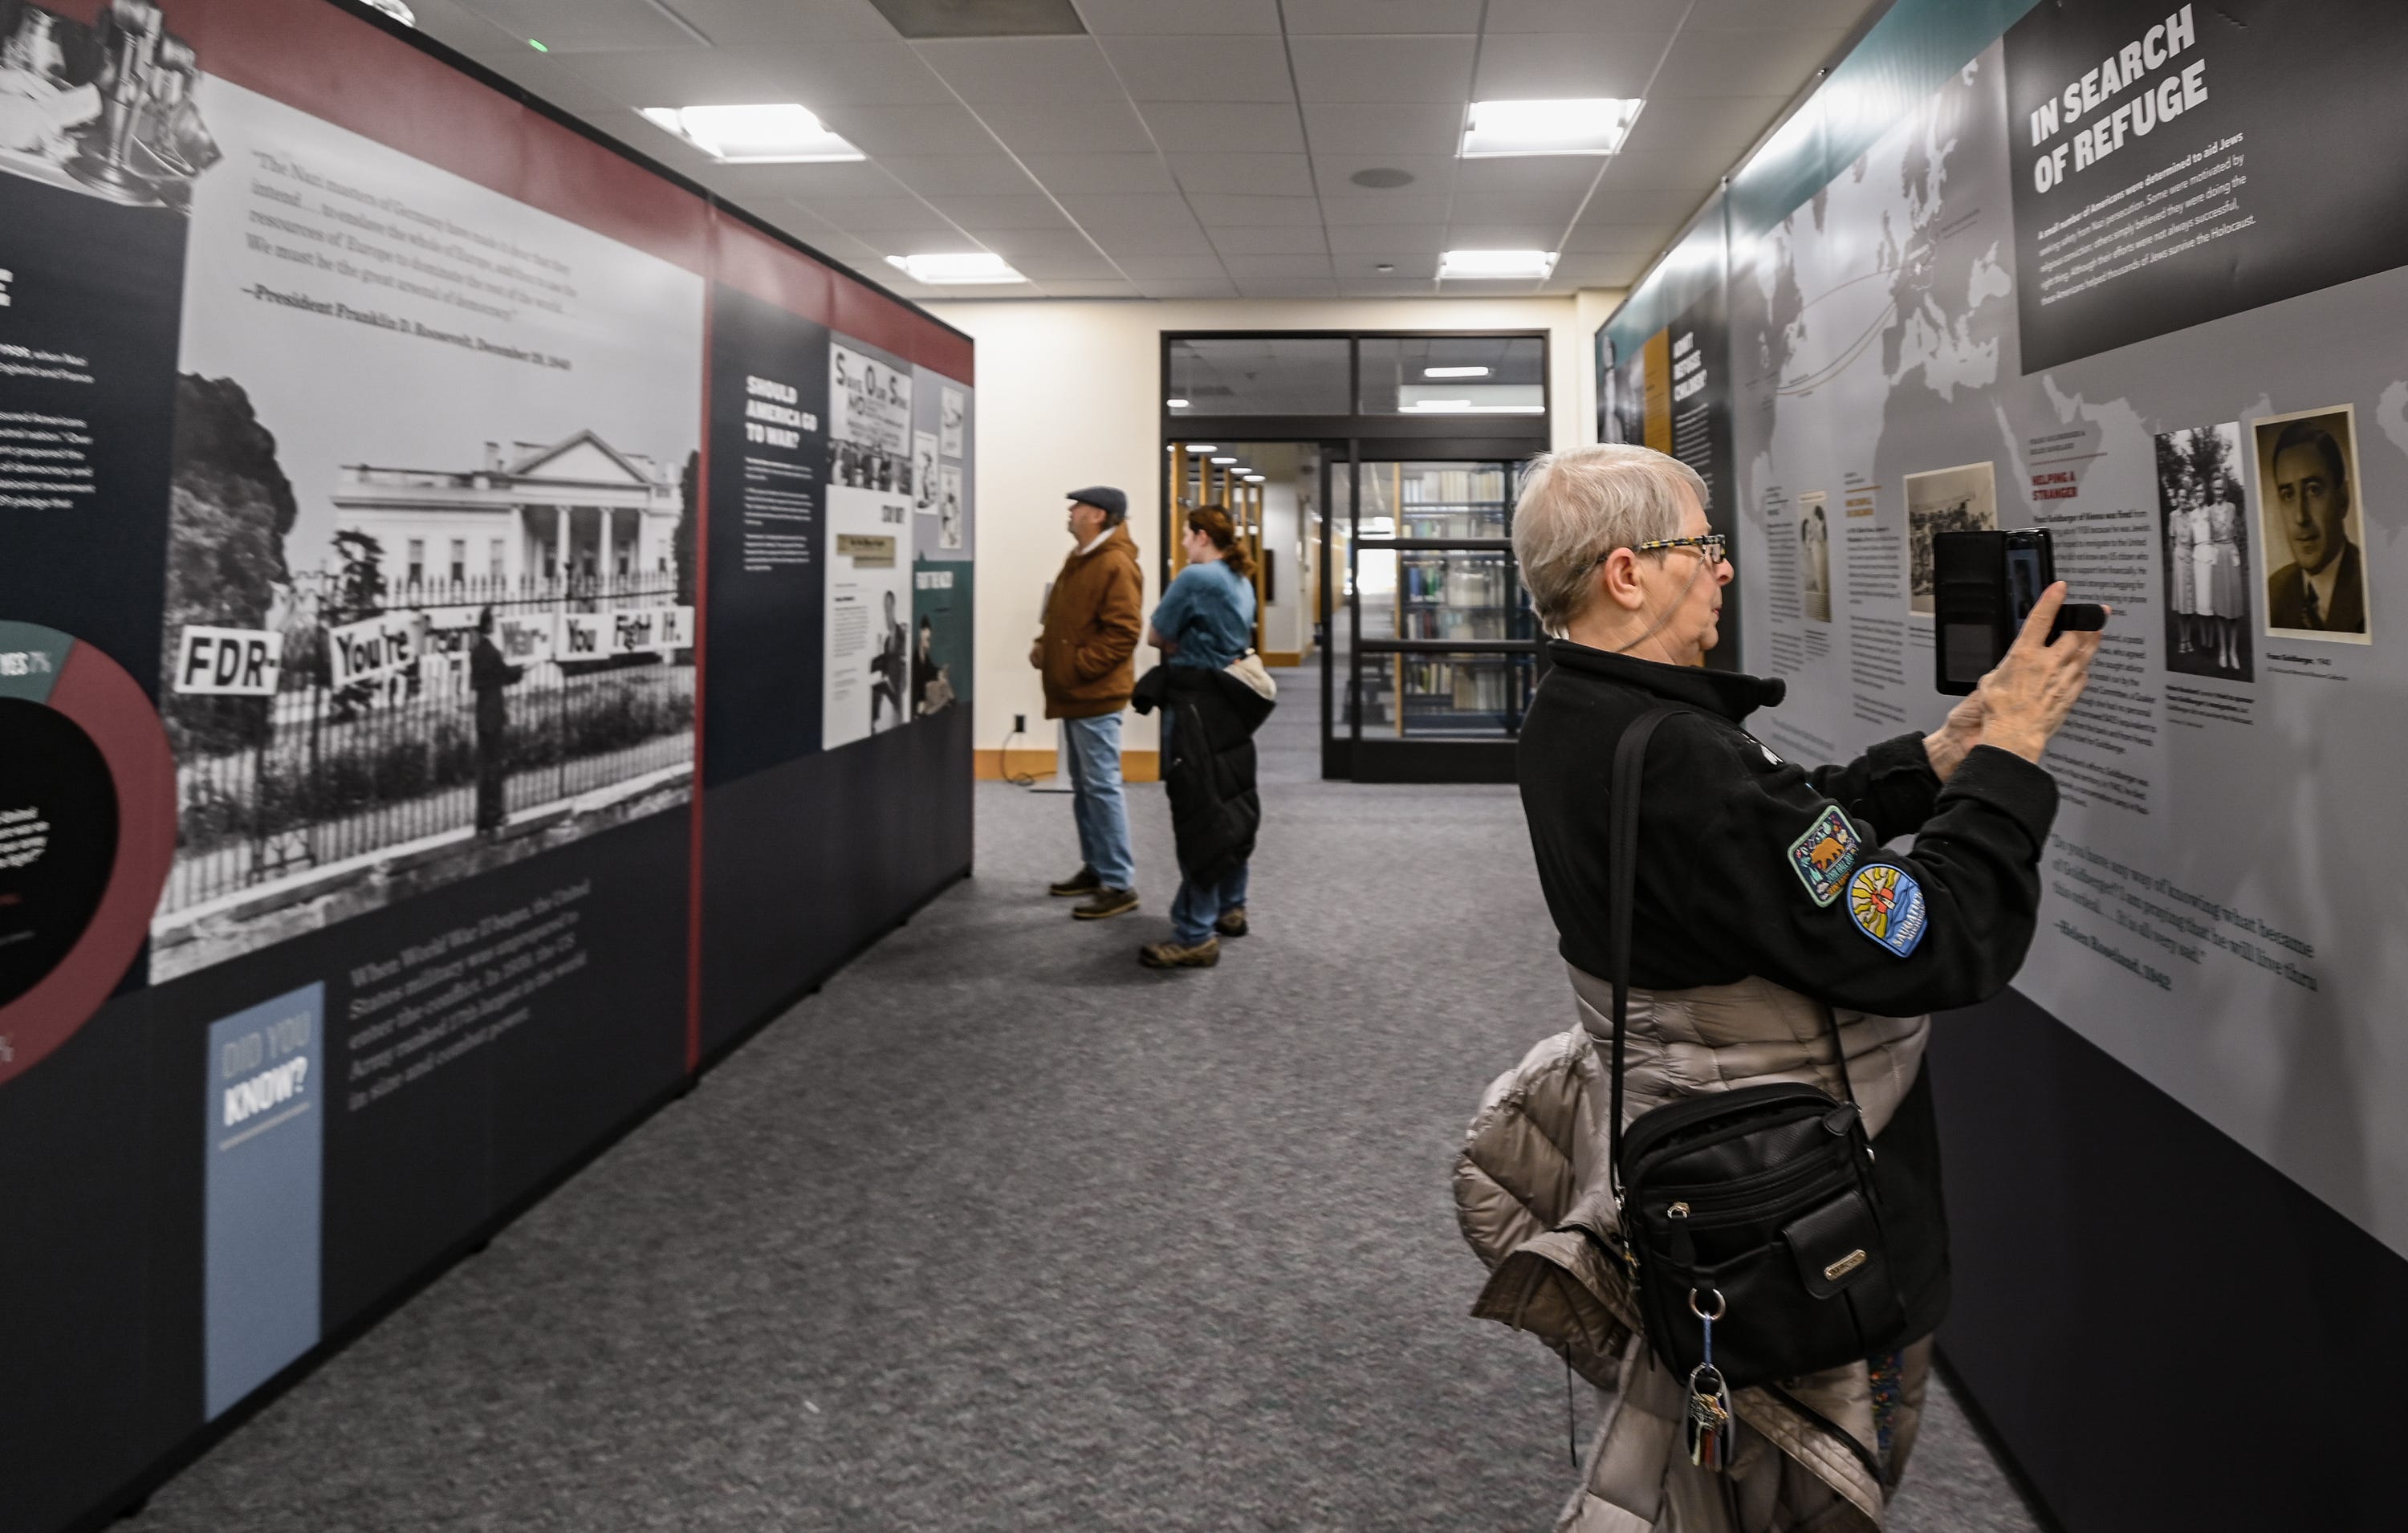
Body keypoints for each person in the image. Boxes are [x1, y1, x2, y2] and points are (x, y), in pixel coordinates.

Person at [1454, 444, 2104, 1530]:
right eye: (1704, 549)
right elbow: (1937, 941)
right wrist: (2015, 757)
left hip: (1707, 1164)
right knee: (1817, 1487)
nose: (1725, 572)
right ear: (1628, 573)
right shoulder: (1683, 759)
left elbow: (1771, 859)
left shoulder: (1582, 716)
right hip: (1798, 1213)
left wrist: (1940, 755)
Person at [1129, 506, 1267, 970]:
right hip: (1229, 704)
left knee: (1198, 815)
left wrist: (1177, 640)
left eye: (1187, 536)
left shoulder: (1196, 578)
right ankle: (1231, 906)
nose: (1185, 543)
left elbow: (1156, 635)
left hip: (1192, 708)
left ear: (1202, 536)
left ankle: (1193, 933)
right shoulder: (1239, 579)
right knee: (1228, 801)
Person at [1033, 486, 1145, 920]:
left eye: (1077, 506)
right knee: (1085, 786)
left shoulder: (1115, 563)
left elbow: (1123, 632)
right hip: (1075, 690)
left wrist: (1077, 666)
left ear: (1098, 515)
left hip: (1094, 692)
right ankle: (1096, 867)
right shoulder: (1080, 558)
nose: (1070, 511)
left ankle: (1119, 883)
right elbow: (1062, 614)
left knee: (1101, 786)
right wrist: (1046, 645)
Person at [2264, 421, 2365, 633]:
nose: (2301, 517)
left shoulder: (2370, 586)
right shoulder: (2274, 591)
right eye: (2288, 495)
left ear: (2343, 499)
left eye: (2314, 490)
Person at [468, 606, 522, 838]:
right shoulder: (492, 652)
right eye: (494, 622)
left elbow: (481, 681)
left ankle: (482, 820)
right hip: (494, 713)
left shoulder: (476, 652)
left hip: (482, 713)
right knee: (495, 767)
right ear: (488, 625)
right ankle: (496, 815)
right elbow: (506, 675)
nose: (496, 625)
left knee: (484, 768)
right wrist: (521, 670)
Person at [2199, 482, 2245, 670]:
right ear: (2212, 491)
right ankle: (2223, 651)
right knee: (2220, 608)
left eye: (2220, 488)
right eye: (2215, 488)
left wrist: (2236, 547)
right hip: (2217, 556)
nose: (2218, 491)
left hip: (2231, 554)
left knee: (2233, 608)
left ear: (2224, 490)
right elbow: (2206, 536)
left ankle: (2233, 651)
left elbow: (2238, 532)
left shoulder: (2232, 508)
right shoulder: (2208, 511)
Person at [869, 588, 907, 731]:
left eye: (889, 606)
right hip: (888, 687)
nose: (887, 611)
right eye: (885, 607)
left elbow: (902, 661)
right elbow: (884, 662)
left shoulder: (899, 633)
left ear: (894, 606)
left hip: (895, 691)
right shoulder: (886, 638)